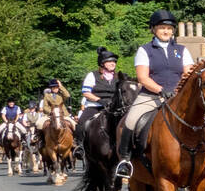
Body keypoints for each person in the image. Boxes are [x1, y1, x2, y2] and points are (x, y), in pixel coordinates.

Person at [114, 9, 194, 179]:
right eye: (162, 28)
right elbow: (143, 77)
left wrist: (180, 90)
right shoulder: (145, 50)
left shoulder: (182, 50)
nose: (166, 31)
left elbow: (188, 73)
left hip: (178, 97)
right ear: (153, 30)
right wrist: (160, 90)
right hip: (151, 95)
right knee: (131, 120)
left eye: (169, 28)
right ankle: (126, 161)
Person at [76, 48, 119, 145]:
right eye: (110, 61)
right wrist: (100, 100)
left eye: (114, 62)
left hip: (113, 107)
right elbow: (86, 92)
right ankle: (80, 146)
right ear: (102, 63)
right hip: (95, 106)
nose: (113, 64)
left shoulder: (118, 76)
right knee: (81, 123)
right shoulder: (92, 75)